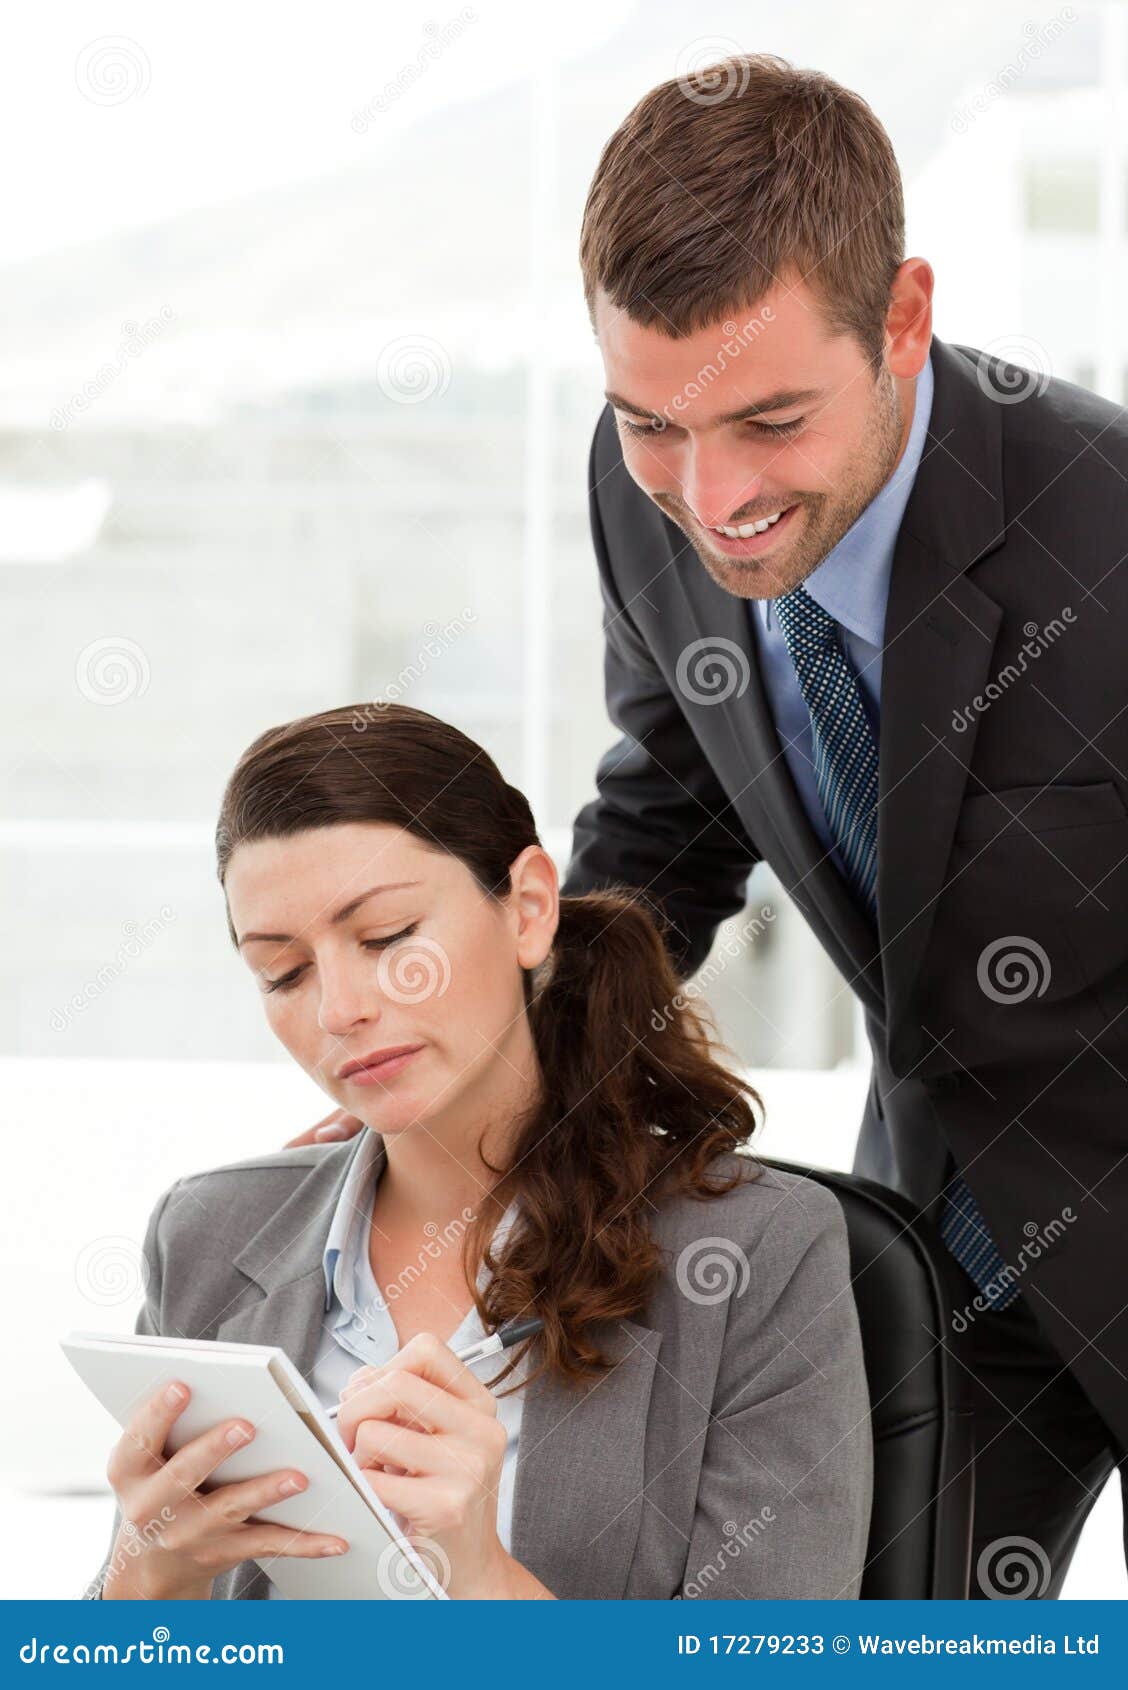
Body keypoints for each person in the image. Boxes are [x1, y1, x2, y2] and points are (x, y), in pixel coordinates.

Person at [294, 54, 1128, 1596]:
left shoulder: (1104, 526)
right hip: (949, 1237)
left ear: (902, 319)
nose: (714, 493)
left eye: (771, 420)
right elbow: (672, 814)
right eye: (654, 424)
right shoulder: (646, 493)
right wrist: (490, 1047)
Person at [86, 701, 872, 1601]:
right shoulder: (206, 1235)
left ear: (529, 908)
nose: (339, 1009)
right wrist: (145, 1584)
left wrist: (482, 1577)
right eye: (285, 973)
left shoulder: (756, 1252)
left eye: (388, 937)